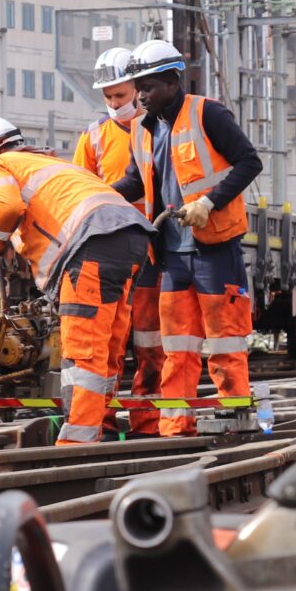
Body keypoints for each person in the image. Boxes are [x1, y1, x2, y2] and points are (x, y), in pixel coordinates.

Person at [0, 117, 153, 445]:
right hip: (133, 237)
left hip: (91, 247)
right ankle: (103, 425)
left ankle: (78, 442)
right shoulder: (53, 164)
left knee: (84, 350)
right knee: (109, 345)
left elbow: (6, 206)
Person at [110, 39, 263, 433]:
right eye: (138, 87)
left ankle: (235, 418)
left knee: (225, 339)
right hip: (170, 254)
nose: (140, 95)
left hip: (214, 247)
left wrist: (209, 203)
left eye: (149, 87)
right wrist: (96, 193)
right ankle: (176, 424)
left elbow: (249, 161)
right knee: (177, 346)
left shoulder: (207, 113)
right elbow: (135, 181)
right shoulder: (141, 130)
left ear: (173, 82)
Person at [72, 45, 163, 422]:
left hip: (149, 252)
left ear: (138, 89)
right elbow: (78, 195)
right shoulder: (93, 138)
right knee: (107, 342)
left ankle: (147, 420)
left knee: (149, 342)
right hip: (107, 254)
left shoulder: (159, 130)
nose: (114, 103)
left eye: (120, 95)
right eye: (108, 97)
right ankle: (103, 420)